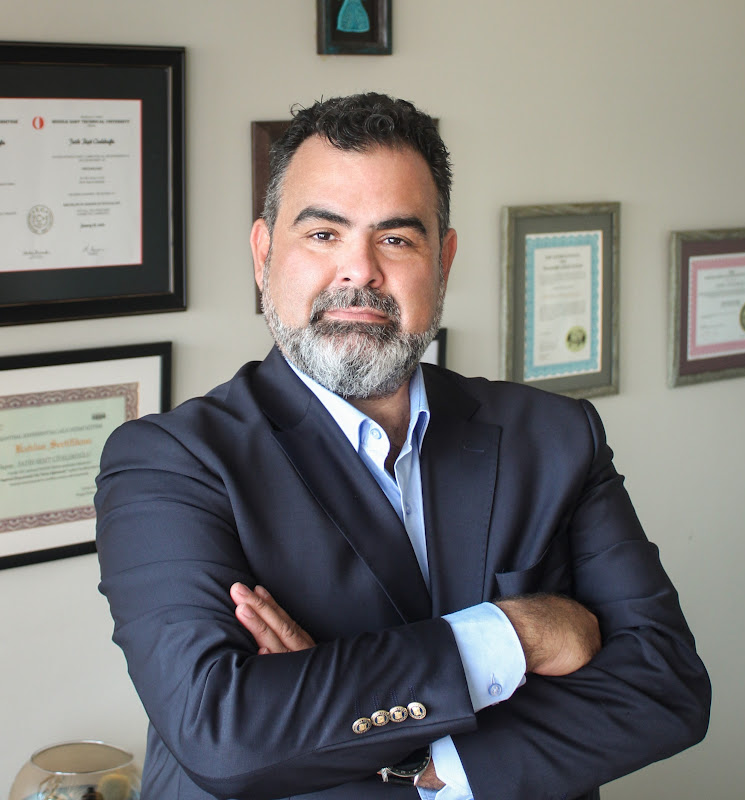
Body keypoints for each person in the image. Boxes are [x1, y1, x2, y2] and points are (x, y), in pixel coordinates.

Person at [95, 93, 710, 800]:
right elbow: (225, 733)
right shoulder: (167, 464)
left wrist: (396, 747)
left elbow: (666, 685)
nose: (359, 272)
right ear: (264, 255)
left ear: (442, 261)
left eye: (395, 239)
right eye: (323, 234)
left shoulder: (555, 436)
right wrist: (513, 633)